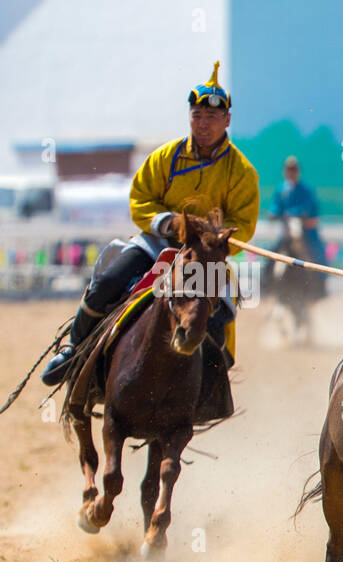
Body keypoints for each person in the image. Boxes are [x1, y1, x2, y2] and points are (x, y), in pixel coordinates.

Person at [42, 62, 259, 401]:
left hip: (206, 257)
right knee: (107, 283)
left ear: (227, 120)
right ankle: (74, 351)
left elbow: (244, 225)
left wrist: (215, 235)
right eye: (197, 116)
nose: (203, 124)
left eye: (212, 118)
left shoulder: (243, 172)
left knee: (219, 317)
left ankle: (208, 390)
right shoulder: (164, 158)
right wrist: (167, 222)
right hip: (156, 244)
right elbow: (139, 199)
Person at [268, 155, 327, 265]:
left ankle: (318, 275)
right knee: (273, 253)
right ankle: (267, 277)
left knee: (316, 254)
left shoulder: (306, 190)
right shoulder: (281, 189)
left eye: (293, 170)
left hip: (306, 231)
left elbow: (308, 208)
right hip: (286, 229)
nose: (291, 172)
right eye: (288, 169)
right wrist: (273, 213)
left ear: (298, 171)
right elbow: (276, 206)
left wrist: (293, 213)